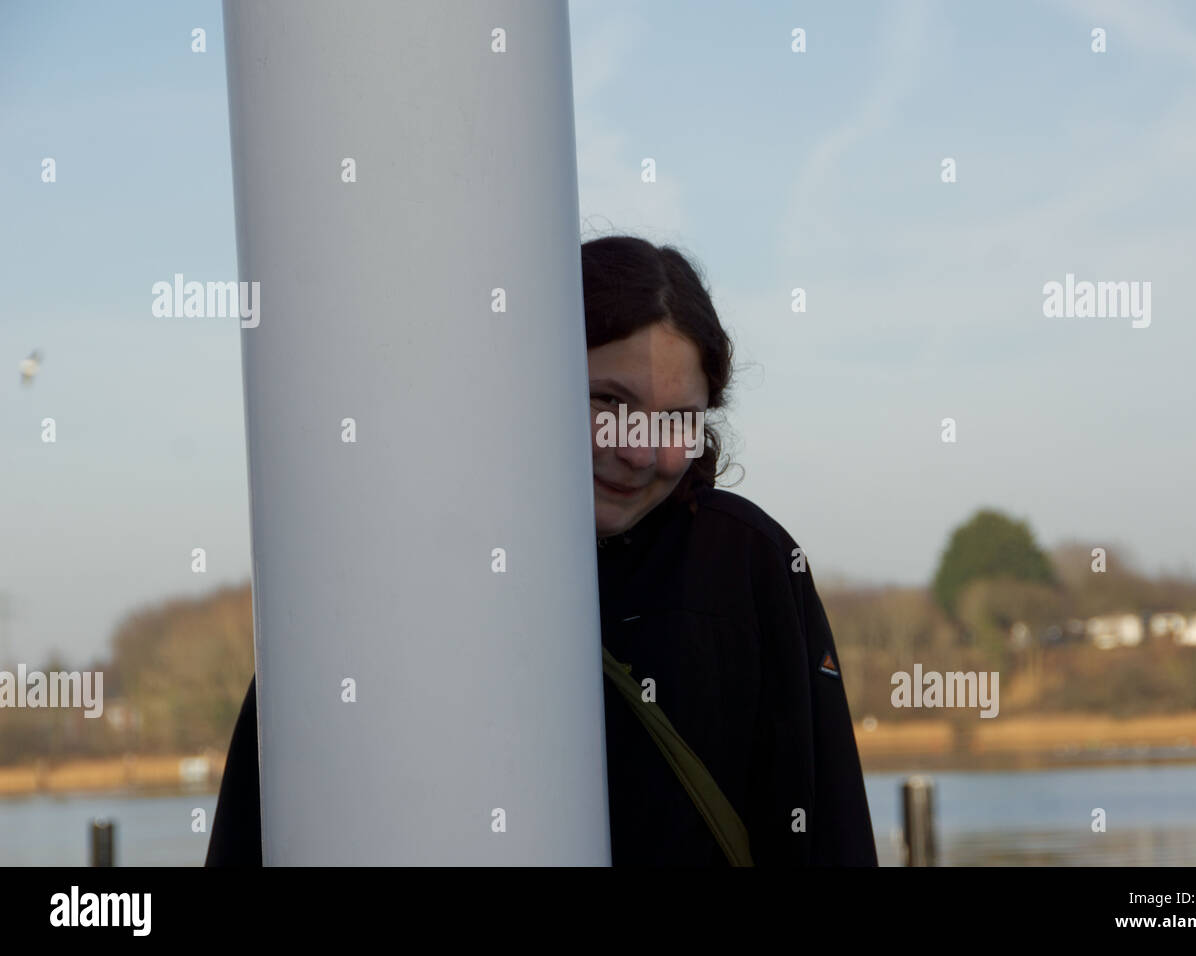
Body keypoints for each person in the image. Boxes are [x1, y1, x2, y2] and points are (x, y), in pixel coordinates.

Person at [207, 235, 877, 866]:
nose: (639, 451)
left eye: (677, 419)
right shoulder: (383, 574)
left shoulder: (750, 565)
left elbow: (829, 834)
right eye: (609, 401)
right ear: (528, 381)